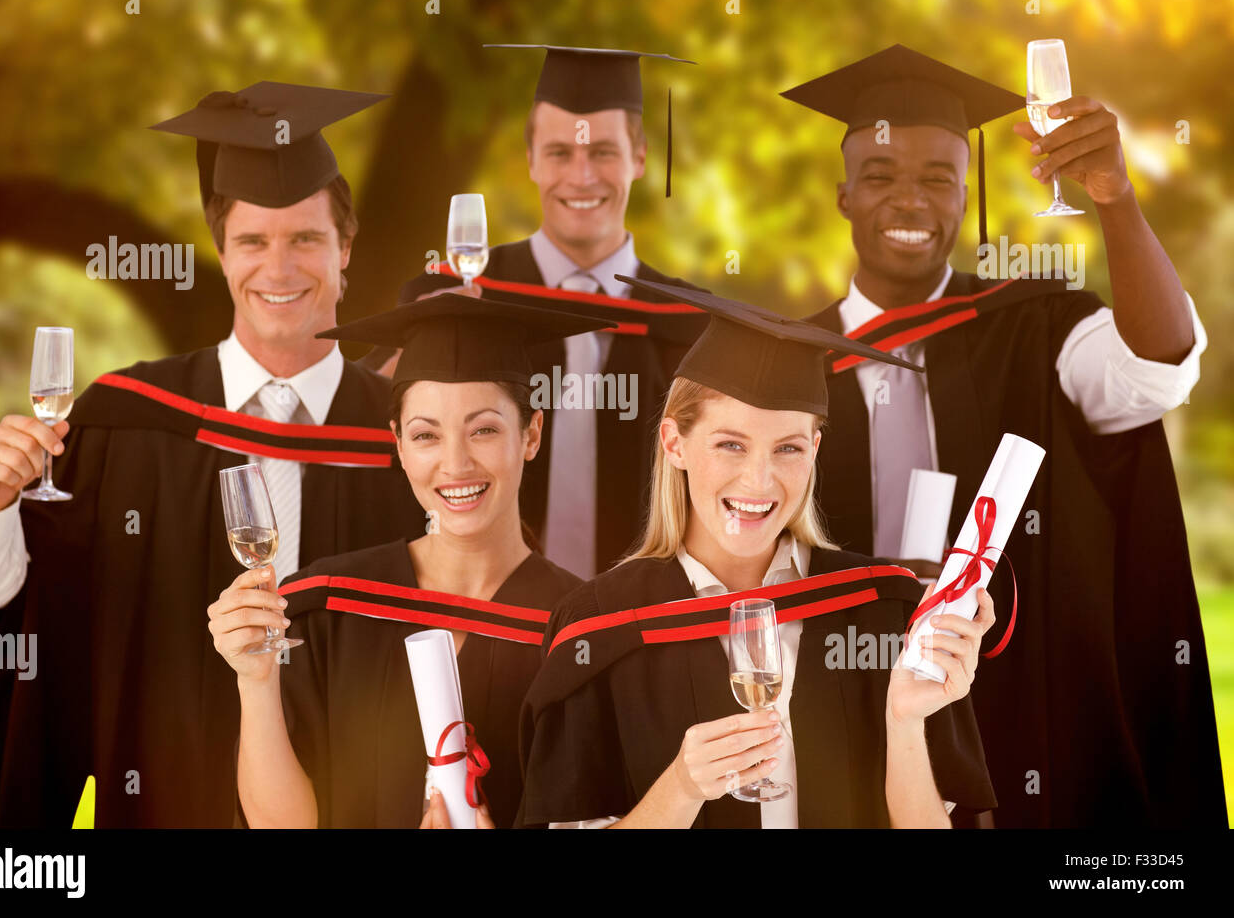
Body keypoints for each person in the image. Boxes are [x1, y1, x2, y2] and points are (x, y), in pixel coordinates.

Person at [0, 81, 424, 827]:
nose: (280, 267)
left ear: (345, 248)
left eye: (306, 239)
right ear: (222, 254)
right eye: (254, 242)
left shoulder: (408, 439)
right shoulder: (128, 423)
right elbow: (7, 607)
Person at [782, 44, 1224, 826]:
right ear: (844, 194)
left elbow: (1157, 368)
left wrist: (1116, 199)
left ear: (967, 194)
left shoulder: (1036, 324)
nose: (908, 200)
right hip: (832, 698)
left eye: (938, 178)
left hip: (1012, 693)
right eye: (881, 176)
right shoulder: (784, 359)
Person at [519, 278, 997, 829]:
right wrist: (681, 787)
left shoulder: (881, 609)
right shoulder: (600, 627)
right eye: (731, 444)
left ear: (814, 450)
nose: (759, 479)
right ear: (674, 443)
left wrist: (905, 721)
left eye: (787, 448)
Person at [209, 294, 606, 827]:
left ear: (531, 433)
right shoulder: (328, 607)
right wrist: (254, 681)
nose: (455, 463)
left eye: (484, 429)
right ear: (398, 445)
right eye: (425, 435)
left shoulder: (583, 630)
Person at [372, 45, 707, 579]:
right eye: (559, 153)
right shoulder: (453, 297)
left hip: (642, 621)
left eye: (602, 152)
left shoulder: (690, 322)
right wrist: (409, 351)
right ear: (529, 159)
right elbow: (368, 435)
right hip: (484, 614)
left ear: (639, 156)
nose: (581, 176)